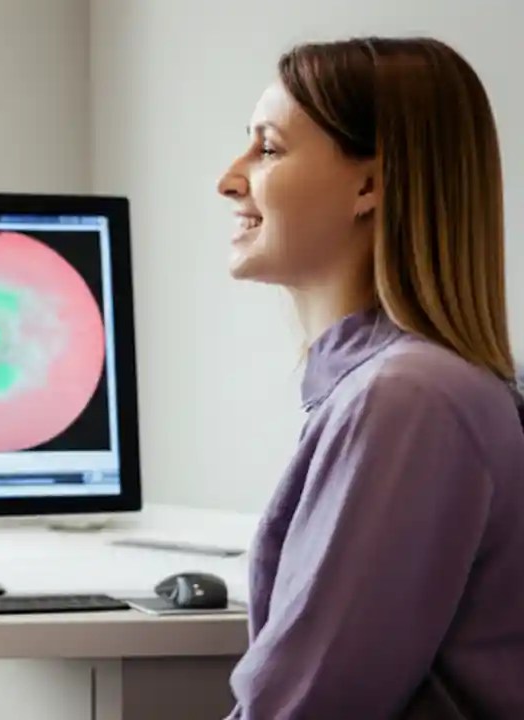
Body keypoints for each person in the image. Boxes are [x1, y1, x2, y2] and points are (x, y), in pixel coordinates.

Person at [216, 36, 524, 719]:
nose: (229, 178)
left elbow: (307, 707)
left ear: (369, 184)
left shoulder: (407, 400)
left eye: (267, 148)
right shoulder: (408, 388)